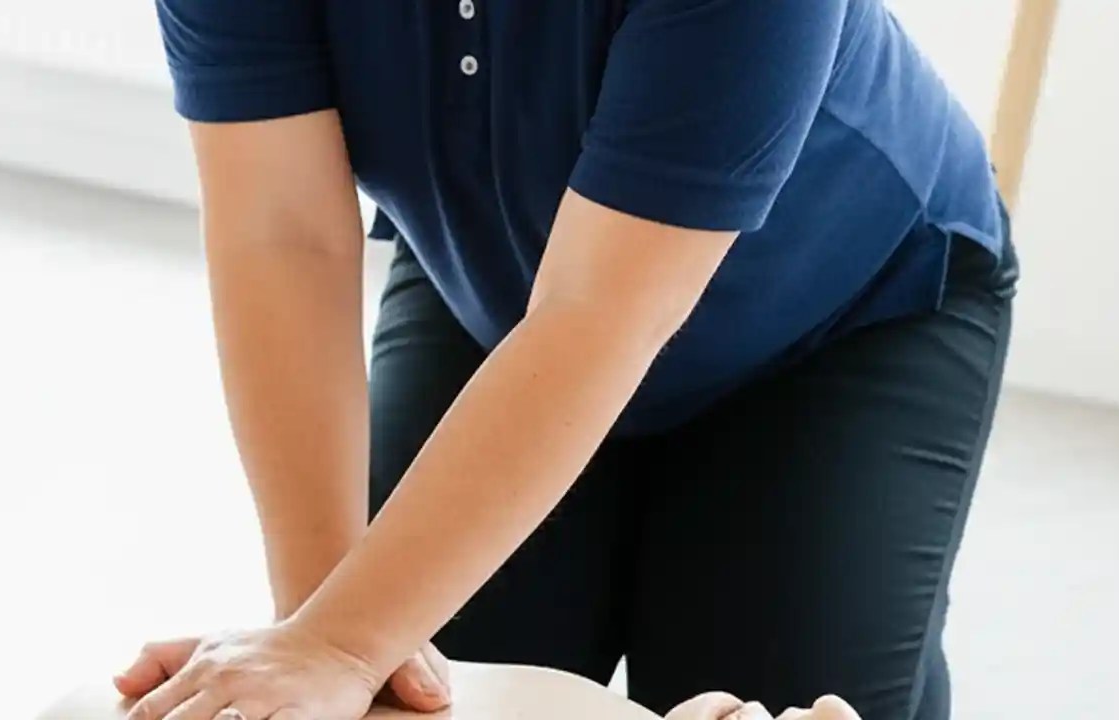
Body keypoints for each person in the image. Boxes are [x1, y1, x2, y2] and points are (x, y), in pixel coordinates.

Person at [116, 1, 1019, 718]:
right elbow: (282, 233)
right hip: (497, 291)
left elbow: (602, 307)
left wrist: (342, 644)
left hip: (840, 318)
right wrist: (321, 634)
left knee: (768, 694)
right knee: (429, 683)